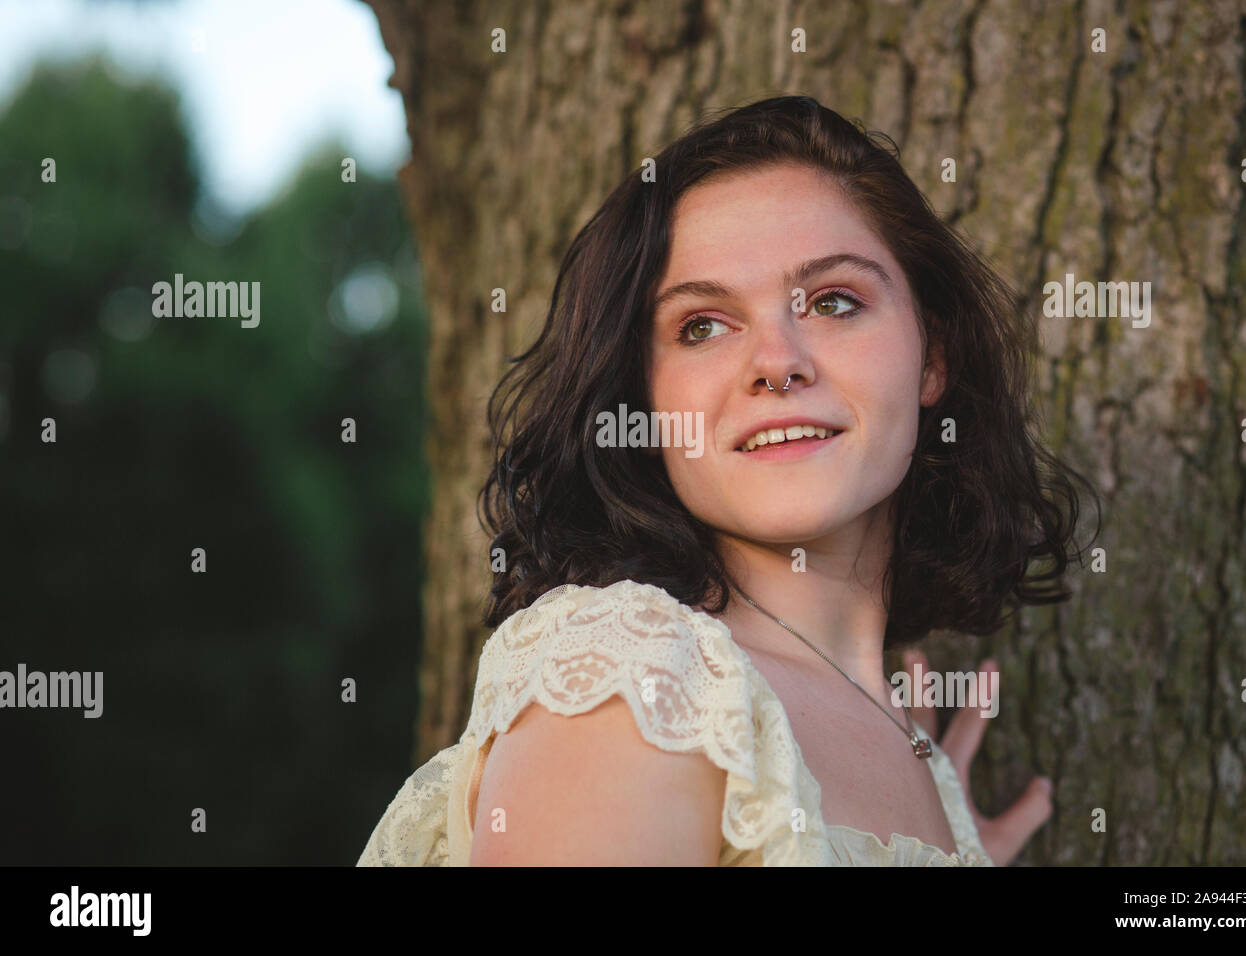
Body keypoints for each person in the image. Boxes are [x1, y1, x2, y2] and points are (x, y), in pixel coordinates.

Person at [357, 95, 1098, 867]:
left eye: (835, 302)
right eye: (701, 326)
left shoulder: (920, 759)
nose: (777, 363)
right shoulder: (626, 679)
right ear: (642, 399)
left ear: (932, 357)